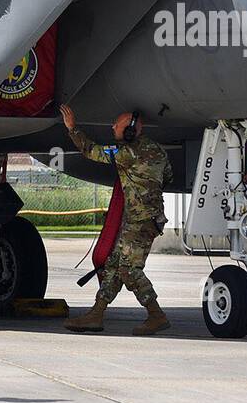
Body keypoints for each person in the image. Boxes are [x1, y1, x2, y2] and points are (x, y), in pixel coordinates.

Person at [59, 104, 173, 335]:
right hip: (146, 218)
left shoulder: (126, 153)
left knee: (129, 270)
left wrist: (73, 129)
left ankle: (156, 314)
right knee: (113, 264)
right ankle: (96, 314)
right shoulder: (158, 150)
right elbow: (168, 176)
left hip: (140, 221)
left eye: (117, 125)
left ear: (130, 131)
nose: (112, 127)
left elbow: (92, 151)